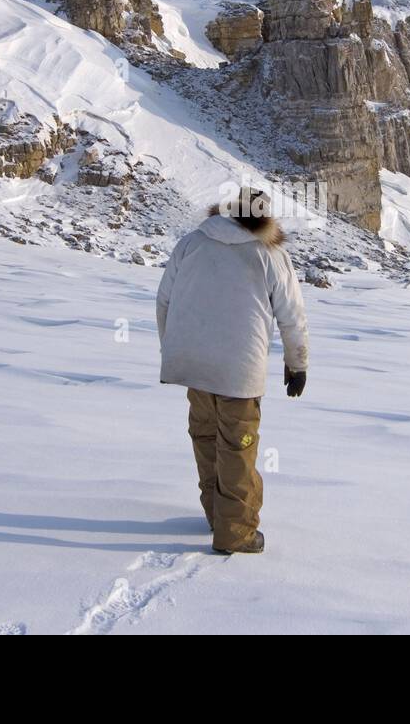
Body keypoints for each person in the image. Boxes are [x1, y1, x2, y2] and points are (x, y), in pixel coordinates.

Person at [155, 188, 309, 554]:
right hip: (239, 368)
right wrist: (297, 363)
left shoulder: (192, 243)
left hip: (193, 363)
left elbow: (164, 300)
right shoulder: (270, 254)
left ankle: (216, 514)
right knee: (238, 448)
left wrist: (172, 348)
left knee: (206, 437)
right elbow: (291, 316)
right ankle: (235, 532)